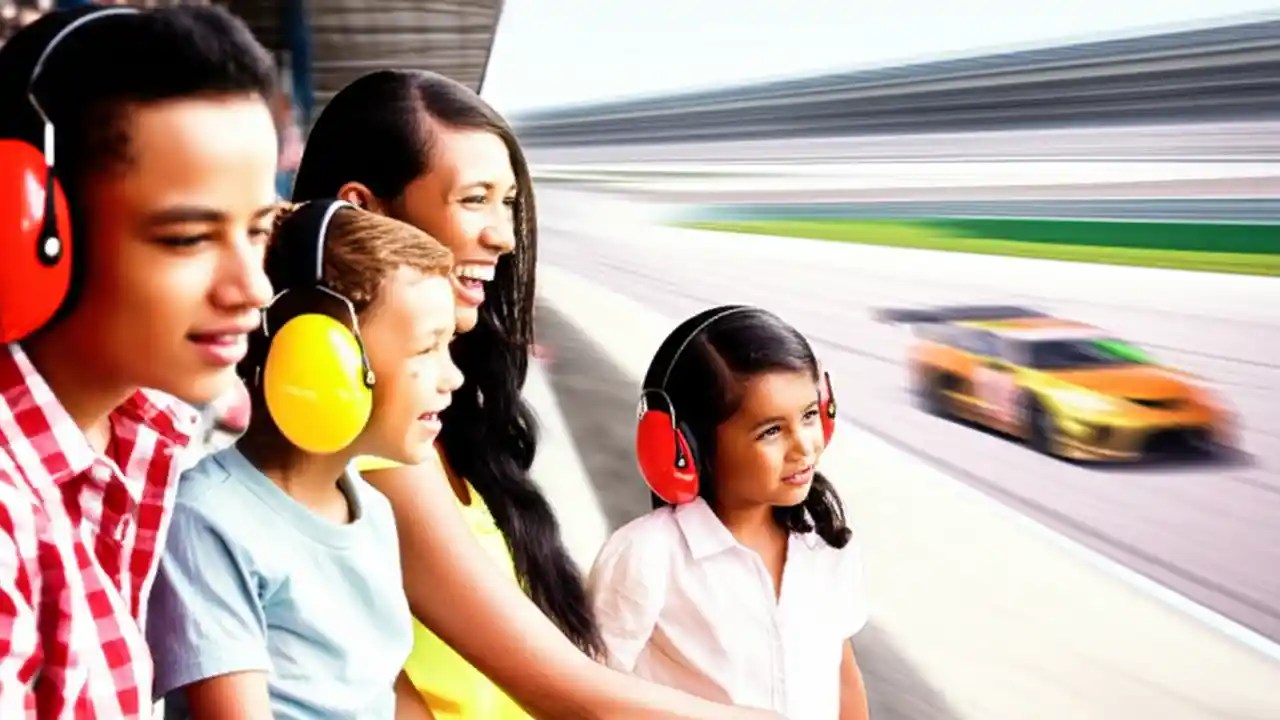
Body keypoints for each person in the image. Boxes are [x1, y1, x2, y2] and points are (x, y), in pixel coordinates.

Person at [291, 69, 782, 719]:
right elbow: (562, 689)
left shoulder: (425, 421)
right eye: (474, 200)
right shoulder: (364, 444)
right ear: (366, 211)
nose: (505, 235)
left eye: (508, 204)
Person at [0, 4, 279, 716]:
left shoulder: (131, 438)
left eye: (258, 230)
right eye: (188, 238)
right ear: (34, 225)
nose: (253, 288)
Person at [146, 201, 461, 719]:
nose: (452, 377)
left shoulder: (373, 513)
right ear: (319, 350)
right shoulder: (207, 521)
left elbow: (387, 695)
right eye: (427, 350)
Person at [588, 305, 871, 720]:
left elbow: (842, 675)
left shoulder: (826, 544)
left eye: (809, 416)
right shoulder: (647, 556)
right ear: (687, 445)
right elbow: (589, 695)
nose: (804, 446)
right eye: (771, 430)